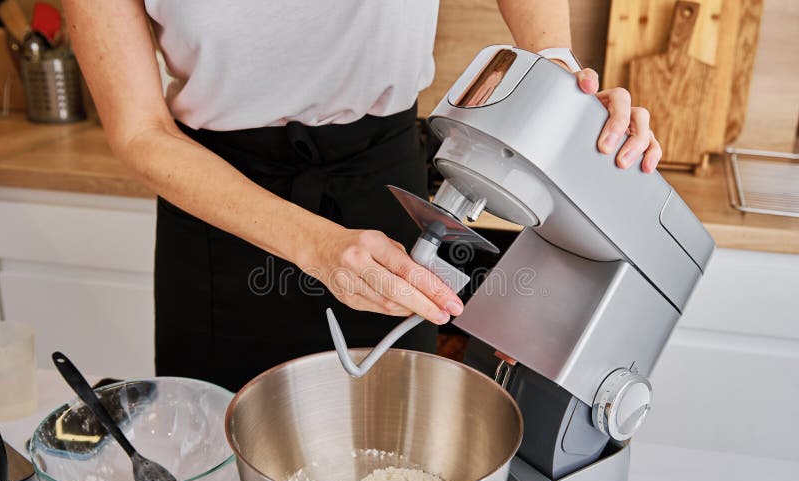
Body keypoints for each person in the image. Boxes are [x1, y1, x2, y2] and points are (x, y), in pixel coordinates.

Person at [63, 1, 662, 391]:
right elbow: (140, 130)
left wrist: (558, 76)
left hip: (384, 180)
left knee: (395, 459)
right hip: (220, 207)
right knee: (220, 469)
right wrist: (314, 244)